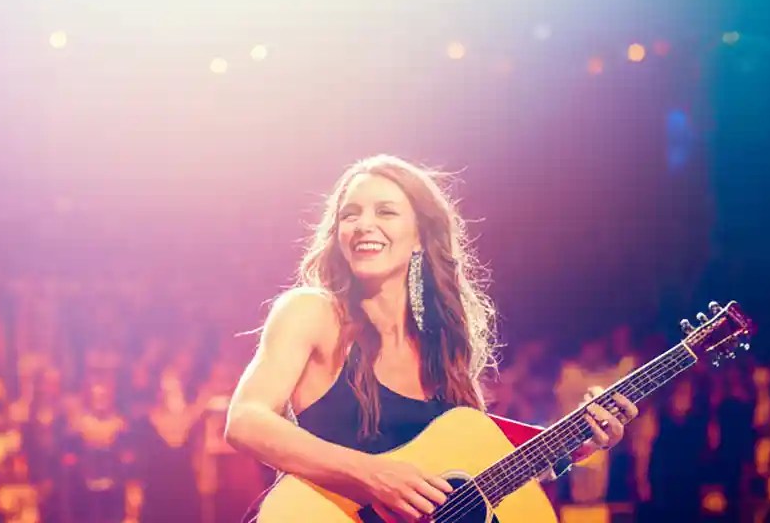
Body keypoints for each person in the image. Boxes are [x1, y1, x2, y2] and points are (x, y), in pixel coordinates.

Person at [224, 154, 638, 522]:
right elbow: (246, 420)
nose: (363, 224)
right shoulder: (313, 311)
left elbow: (468, 458)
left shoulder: (441, 343)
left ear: (421, 234)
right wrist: (370, 475)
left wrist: (570, 446)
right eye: (350, 214)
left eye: (385, 211)